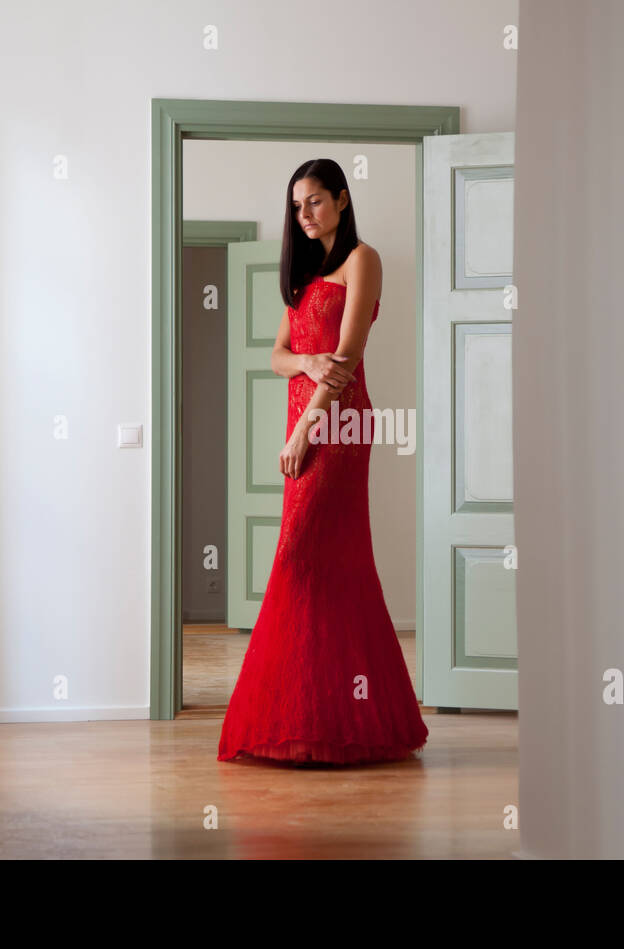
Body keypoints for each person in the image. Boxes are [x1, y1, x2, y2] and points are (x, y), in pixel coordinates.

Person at [217, 158, 429, 766]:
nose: (304, 214)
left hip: (336, 425)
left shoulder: (364, 259)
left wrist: (305, 430)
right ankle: (318, 714)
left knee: (301, 555)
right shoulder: (305, 273)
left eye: (313, 201)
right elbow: (278, 355)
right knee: (329, 565)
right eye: (296, 206)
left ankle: (324, 716)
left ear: (340, 198)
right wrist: (304, 365)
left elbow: (349, 353)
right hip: (304, 421)